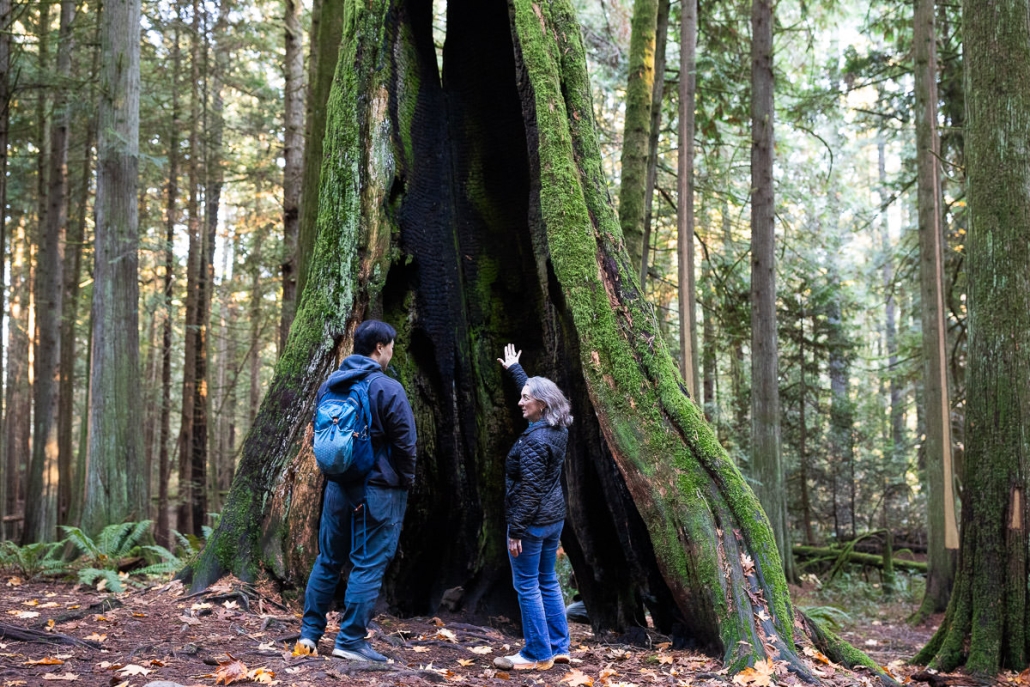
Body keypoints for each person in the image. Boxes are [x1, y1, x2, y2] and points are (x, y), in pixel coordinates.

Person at [297, 320, 417, 662]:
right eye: (391, 345)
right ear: (379, 347)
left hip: (337, 486)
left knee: (329, 560)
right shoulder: (387, 388)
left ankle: (309, 635)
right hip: (378, 490)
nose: (392, 351)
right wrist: (403, 481)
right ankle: (350, 641)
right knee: (368, 563)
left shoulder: (330, 386)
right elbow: (406, 444)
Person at [493, 343, 573, 671]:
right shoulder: (556, 427)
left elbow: (528, 492)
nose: (520, 402)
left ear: (541, 404)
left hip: (533, 523)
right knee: (547, 580)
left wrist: (516, 531)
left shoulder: (535, 442)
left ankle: (537, 653)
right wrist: (515, 371)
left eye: (526, 398)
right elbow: (536, 393)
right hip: (553, 519)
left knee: (527, 585)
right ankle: (559, 646)